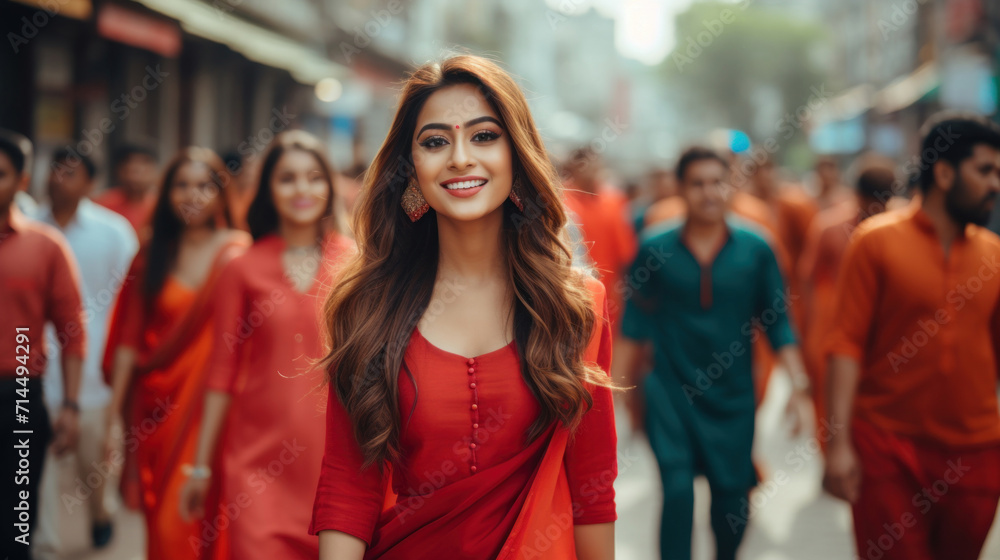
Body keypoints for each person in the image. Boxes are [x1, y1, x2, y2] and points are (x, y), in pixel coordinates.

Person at [311, 55, 617, 560]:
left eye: (483, 136)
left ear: (516, 155)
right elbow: (348, 487)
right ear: (411, 168)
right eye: (434, 142)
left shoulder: (574, 306)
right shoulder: (369, 308)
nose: (459, 158)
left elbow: (591, 485)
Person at [615, 146, 811, 560]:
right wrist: (612, 397)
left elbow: (778, 322)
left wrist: (799, 385)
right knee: (677, 490)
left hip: (734, 395)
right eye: (697, 184)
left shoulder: (757, 249)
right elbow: (633, 325)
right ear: (680, 189)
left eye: (717, 182)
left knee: (731, 501)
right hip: (669, 392)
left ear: (731, 186)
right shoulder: (655, 247)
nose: (709, 193)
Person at [824, 113, 1000, 560]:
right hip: (887, 447)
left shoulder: (993, 254)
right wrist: (838, 444)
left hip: (976, 453)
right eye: (985, 171)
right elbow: (845, 344)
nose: (995, 184)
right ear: (943, 173)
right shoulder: (876, 242)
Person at [178, 131, 354, 559]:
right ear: (268, 189)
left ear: (330, 186)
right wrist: (200, 466)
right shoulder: (242, 268)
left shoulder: (355, 263)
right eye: (287, 178)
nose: (302, 190)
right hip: (257, 467)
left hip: (340, 463)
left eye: (314, 178)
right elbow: (221, 373)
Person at [103, 147, 250, 560]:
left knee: (215, 520)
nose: (193, 196)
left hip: (221, 413)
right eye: (182, 186)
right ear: (166, 193)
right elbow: (129, 341)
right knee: (167, 523)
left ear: (223, 195)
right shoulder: (150, 254)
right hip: (158, 411)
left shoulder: (237, 253)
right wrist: (112, 417)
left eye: (205, 186)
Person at [31, 149, 138, 555]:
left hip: (95, 370)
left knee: (93, 465)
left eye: (71, 173)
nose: (60, 179)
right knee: (34, 469)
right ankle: (43, 546)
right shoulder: (23, 228)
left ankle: (100, 514)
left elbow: (132, 302)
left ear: (90, 183)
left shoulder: (114, 233)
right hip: (34, 370)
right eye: (54, 170)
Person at [0, 130, 84, 560]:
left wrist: (70, 405)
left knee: (15, 521)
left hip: (17, 396)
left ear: (22, 180)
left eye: (0, 174)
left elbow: (72, 329)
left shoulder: (45, 246)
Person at [797, 155, 896, 441]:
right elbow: (808, 283)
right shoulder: (830, 228)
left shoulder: (902, 232)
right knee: (832, 399)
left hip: (885, 336)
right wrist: (808, 335)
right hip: (838, 330)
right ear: (858, 196)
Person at [562, 146, 638, 327]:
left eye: (595, 165)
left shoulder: (614, 201)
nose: (591, 170)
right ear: (573, 168)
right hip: (572, 289)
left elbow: (626, 252)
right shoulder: (561, 201)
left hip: (610, 292)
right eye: (586, 165)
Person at [93, 144, 159, 240]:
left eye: (144, 164)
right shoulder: (101, 206)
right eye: (131, 165)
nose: (136, 174)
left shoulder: (162, 205)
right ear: (119, 170)